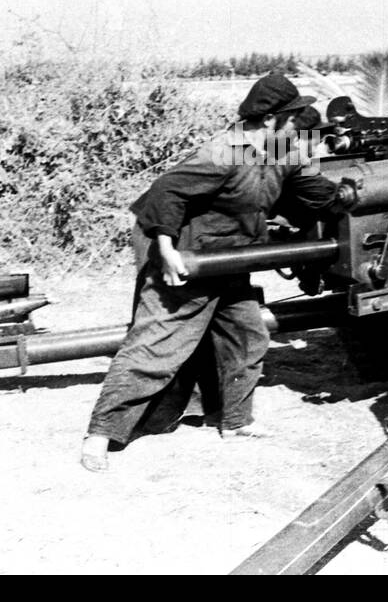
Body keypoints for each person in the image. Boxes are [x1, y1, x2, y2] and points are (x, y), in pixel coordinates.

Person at [81, 73, 344, 471]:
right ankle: (100, 435)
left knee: (247, 335)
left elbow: (318, 194)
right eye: (294, 117)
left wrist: (357, 196)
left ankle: (234, 422)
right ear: (272, 119)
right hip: (187, 254)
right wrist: (167, 250)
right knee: (158, 344)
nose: (300, 123)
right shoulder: (225, 151)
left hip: (231, 257)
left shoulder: (280, 151)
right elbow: (167, 192)